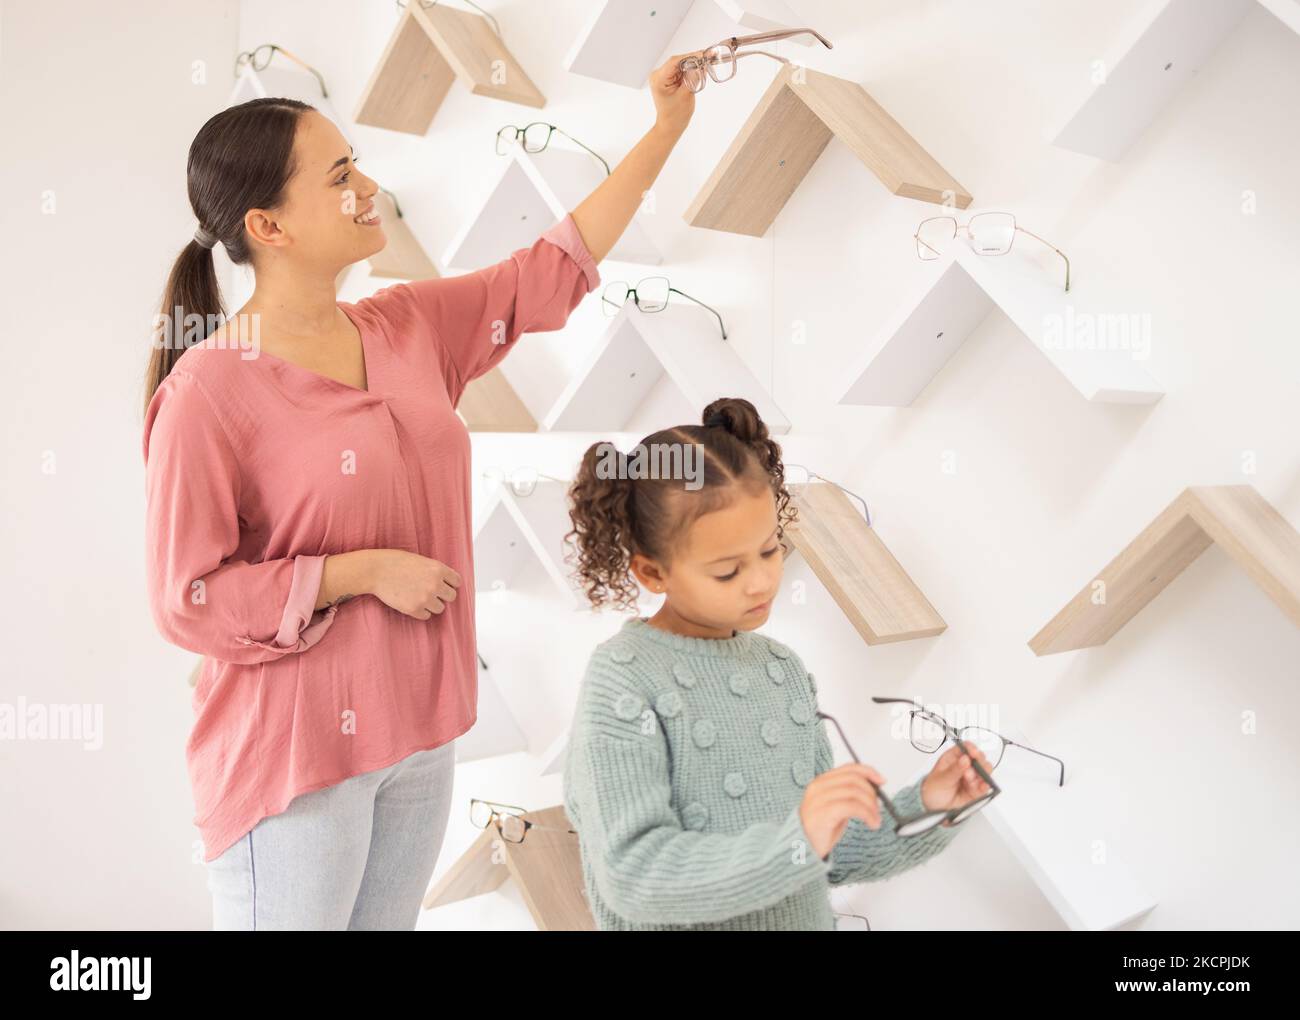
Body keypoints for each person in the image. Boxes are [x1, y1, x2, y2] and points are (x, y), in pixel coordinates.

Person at [141, 55, 696, 930]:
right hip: (295, 757)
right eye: (339, 176)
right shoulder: (209, 392)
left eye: (355, 163)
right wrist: (354, 571)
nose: (368, 186)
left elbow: (548, 272)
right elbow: (189, 600)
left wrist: (664, 130)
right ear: (268, 226)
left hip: (417, 740)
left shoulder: (408, 326)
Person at [561, 396, 994, 929]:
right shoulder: (623, 680)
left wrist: (928, 804)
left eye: (770, 550)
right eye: (726, 571)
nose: (762, 580)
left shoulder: (781, 668)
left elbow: (825, 852)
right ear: (653, 574)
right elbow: (633, 877)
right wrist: (800, 837)